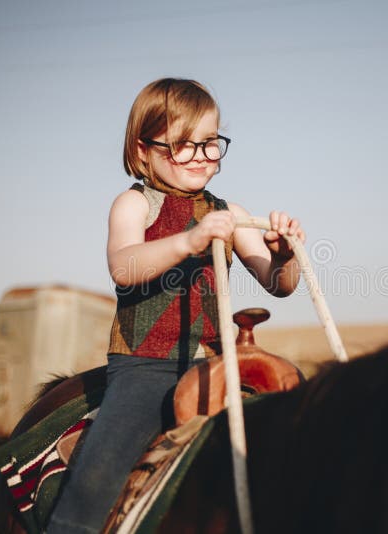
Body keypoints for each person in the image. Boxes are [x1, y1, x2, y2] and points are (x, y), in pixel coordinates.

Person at [46, 78, 306, 533]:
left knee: (294, 424)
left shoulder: (229, 212)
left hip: (216, 361)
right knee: (100, 472)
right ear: (143, 149)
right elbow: (124, 266)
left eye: (210, 143)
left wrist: (285, 256)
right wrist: (189, 241)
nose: (201, 156)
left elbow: (278, 285)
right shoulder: (134, 205)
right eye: (183, 145)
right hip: (147, 366)